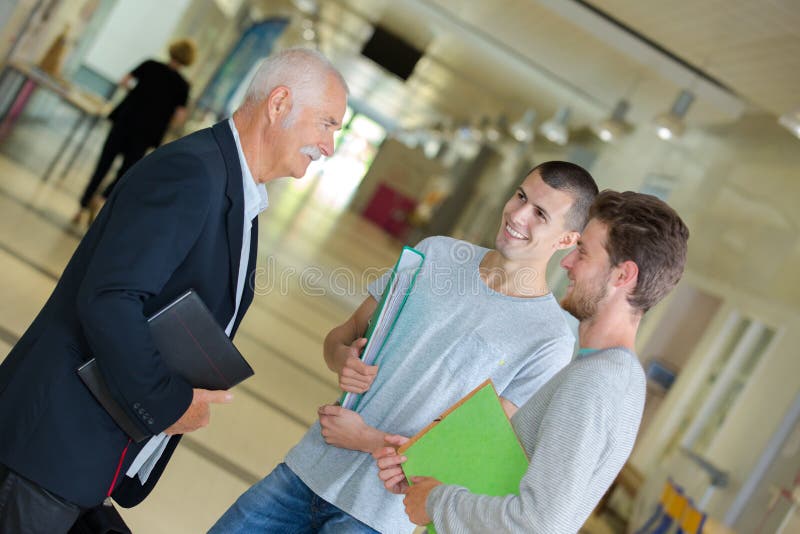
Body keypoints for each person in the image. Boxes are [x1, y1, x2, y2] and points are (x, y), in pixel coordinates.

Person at [0, 48, 348, 533]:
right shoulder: (193, 173)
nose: (328, 146)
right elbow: (111, 298)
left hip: (89, 455)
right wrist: (168, 404)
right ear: (279, 103)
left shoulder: (234, 190)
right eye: (327, 124)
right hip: (50, 445)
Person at [211, 161, 600, 533]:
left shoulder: (549, 340)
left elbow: (465, 449)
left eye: (540, 214)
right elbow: (341, 337)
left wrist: (367, 440)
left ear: (567, 240)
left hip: (378, 518)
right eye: (520, 197)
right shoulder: (435, 254)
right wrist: (343, 359)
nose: (518, 215)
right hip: (307, 469)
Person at [375, 190, 690, 533]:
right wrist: (431, 467)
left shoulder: (595, 382)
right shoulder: (616, 376)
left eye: (583, 252)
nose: (567, 262)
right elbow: (516, 482)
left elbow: (538, 524)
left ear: (623, 275)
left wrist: (438, 501)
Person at [72, 38, 197, 225]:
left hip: (125, 122)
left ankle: (81, 208)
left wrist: (138, 95)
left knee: (103, 165)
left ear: (172, 50)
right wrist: (162, 116)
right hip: (146, 134)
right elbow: (179, 116)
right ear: (189, 59)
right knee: (126, 172)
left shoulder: (150, 65)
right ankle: (102, 197)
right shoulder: (182, 86)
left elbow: (125, 81)